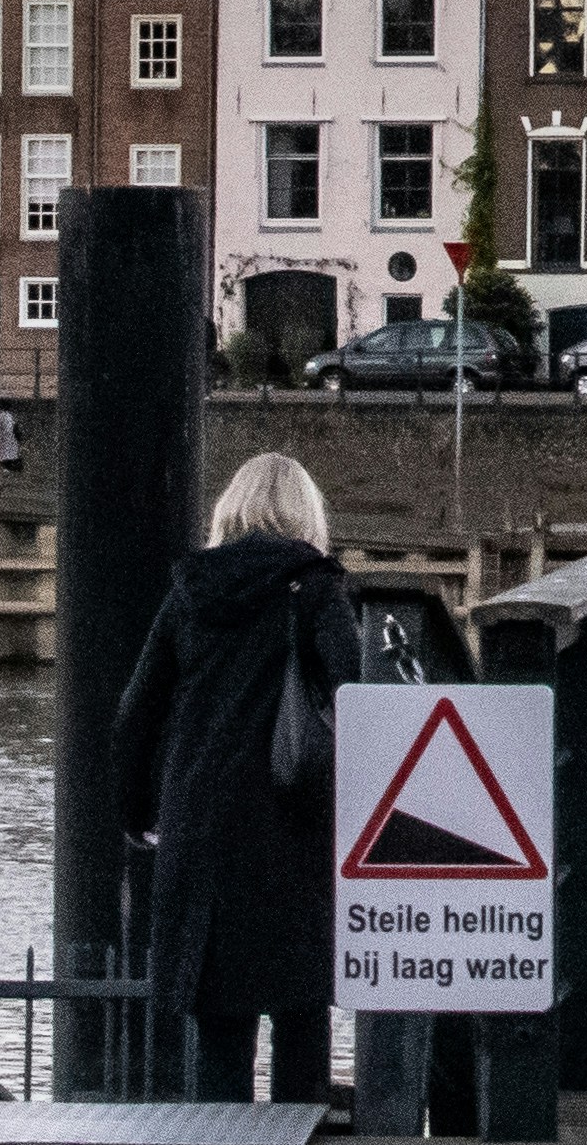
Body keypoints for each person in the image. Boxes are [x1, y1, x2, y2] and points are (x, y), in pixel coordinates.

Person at [114, 451, 363, 1107]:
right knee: (301, 1016)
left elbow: (135, 713)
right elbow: (355, 689)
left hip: (200, 829)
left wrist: (139, 813)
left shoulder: (189, 591)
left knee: (220, 1031)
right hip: (292, 826)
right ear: (305, 513)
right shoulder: (314, 588)